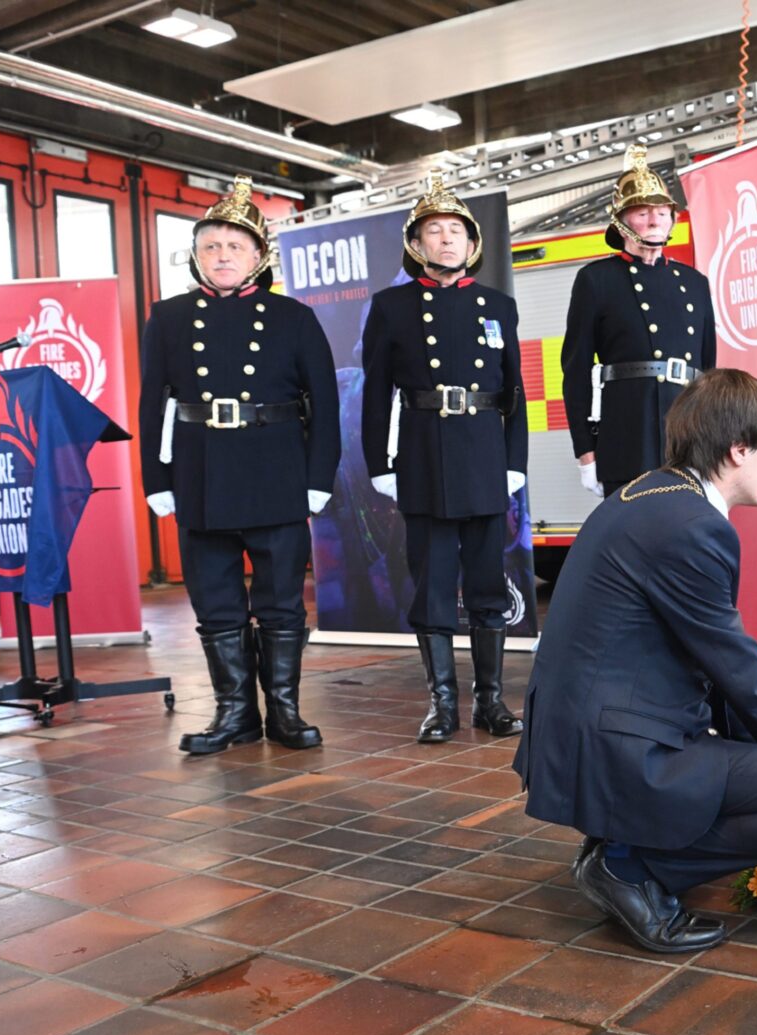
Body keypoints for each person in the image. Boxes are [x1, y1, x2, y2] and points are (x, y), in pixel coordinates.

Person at [514, 369, 757, 953]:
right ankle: (634, 869)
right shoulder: (694, 528)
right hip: (619, 753)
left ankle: (620, 844)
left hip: (581, 740)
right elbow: (741, 675)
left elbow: (715, 670)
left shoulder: (645, 495)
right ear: (738, 450)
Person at [139, 176, 340, 755]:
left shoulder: (293, 317)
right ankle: (234, 714)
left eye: (234, 246)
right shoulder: (169, 317)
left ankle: (283, 711)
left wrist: (317, 478)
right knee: (216, 600)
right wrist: (158, 479)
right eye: (210, 247)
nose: (221, 256)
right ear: (197, 257)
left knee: (280, 599)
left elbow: (323, 404)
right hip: (201, 472)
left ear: (258, 256)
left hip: (276, 468)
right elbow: (153, 401)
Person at [360, 174, 528, 743]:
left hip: (482, 452)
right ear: (418, 244)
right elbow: (377, 390)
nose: (446, 240)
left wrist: (515, 461)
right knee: (432, 585)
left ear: (471, 242)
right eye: (435, 231)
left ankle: (491, 702)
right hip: (423, 453)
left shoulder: (497, 305)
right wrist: (379, 464)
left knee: (486, 582)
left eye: (455, 230)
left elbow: (515, 391)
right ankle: (442, 705)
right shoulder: (391, 306)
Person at [562, 143, 717, 498]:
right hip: (626, 434)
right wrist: (585, 452)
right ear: (621, 219)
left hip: (687, 439)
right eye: (642, 212)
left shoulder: (695, 283)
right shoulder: (596, 279)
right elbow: (576, 371)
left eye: (662, 212)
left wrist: (712, 443)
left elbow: (708, 373)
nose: (653, 220)